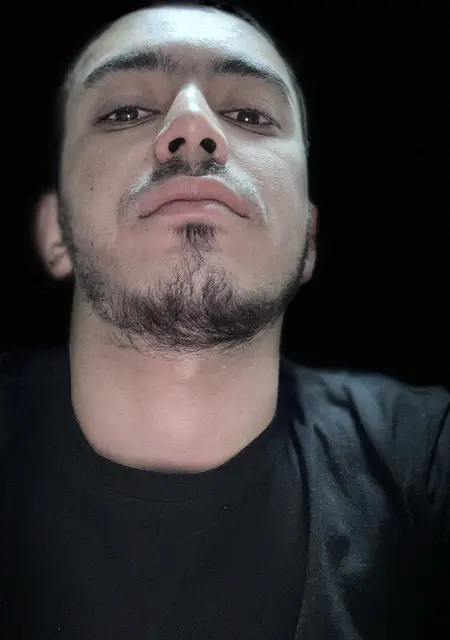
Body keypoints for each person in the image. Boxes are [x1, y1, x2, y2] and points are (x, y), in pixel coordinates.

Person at [1, 1, 448, 638]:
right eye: (125, 112)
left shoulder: (425, 456)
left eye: (249, 115)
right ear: (54, 231)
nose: (192, 126)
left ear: (309, 240)